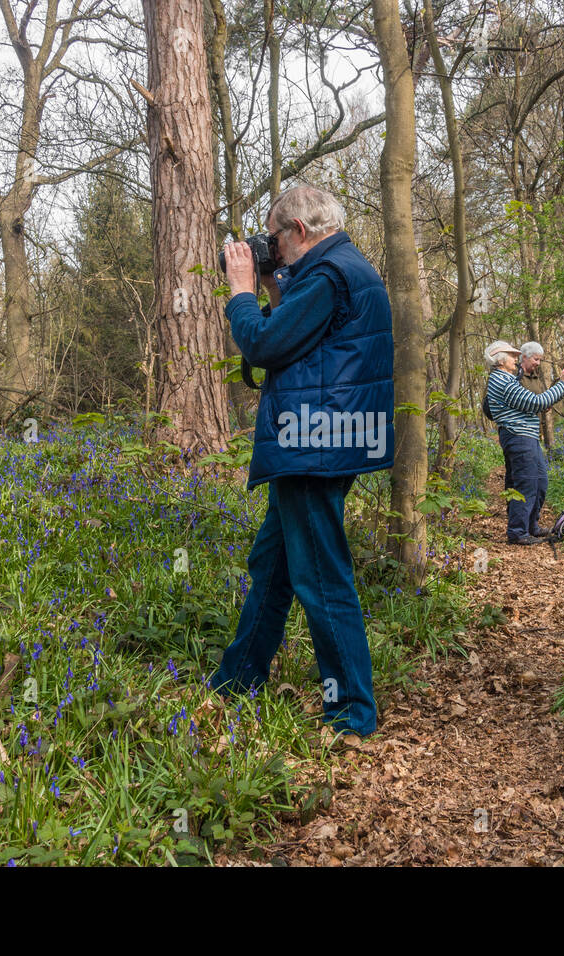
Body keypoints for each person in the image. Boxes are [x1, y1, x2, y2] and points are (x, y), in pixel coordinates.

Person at [211, 184, 392, 743]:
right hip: (321, 439)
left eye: (273, 240)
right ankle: (238, 681)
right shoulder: (339, 271)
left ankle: (351, 713)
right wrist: (272, 283)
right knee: (275, 565)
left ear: (299, 232)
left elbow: (263, 344)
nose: (271, 250)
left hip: (314, 445)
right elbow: (307, 343)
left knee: (319, 575)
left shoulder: (328, 275)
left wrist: (242, 290)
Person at [483, 340, 564, 545]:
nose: (516, 358)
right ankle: (517, 532)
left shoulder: (507, 378)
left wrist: (542, 402)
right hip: (518, 437)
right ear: (501, 360)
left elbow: (529, 403)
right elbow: (536, 402)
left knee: (540, 481)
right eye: (512, 355)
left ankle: (530, 525)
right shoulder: (502, 380)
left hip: (527, 436)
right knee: (526, 483)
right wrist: (563, 385)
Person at [516, 341, 552, 447]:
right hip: (521, 433)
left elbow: (540, 401)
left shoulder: (536, 378)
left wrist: (545, 405)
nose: (538, 363)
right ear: (524, 357)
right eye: (536, 359)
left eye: (539, 360)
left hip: (535, 431)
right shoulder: (515, 377)